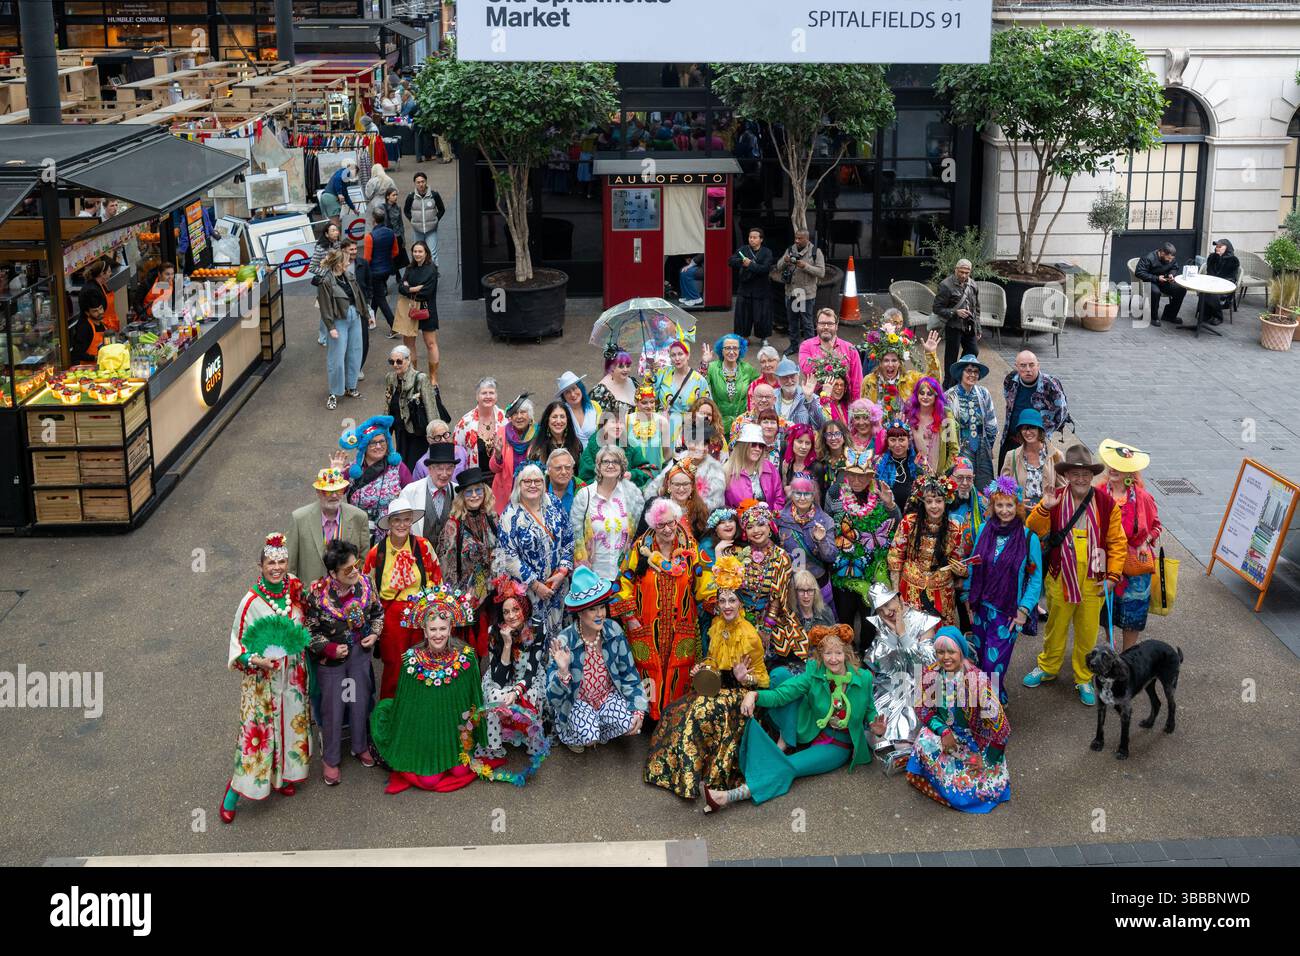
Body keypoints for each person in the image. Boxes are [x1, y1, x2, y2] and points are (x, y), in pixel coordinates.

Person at [707, 624, 886, 810]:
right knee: (781, 677)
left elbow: (869, 709)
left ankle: (728, 796)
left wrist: (875, 726)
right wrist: (754, 695)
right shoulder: (814, 674)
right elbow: (781, 695)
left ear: (846, 654)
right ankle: (785, 738)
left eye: (838, 653)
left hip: (836, 745)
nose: (833, 659)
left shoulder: (863, 678)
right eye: (828, 654)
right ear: (820, 656)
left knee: (790, 766)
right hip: (812, 729)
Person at [644, 555, 768, 802]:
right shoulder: (716, 625)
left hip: (739, 696)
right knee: (675, 709)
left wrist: (746, 678)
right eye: (722, 600)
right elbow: (713, 660)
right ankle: (679, 774)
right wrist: (702, 669)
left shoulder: (749, 635)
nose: (727, 605)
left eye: (732, 600)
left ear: (740, 604)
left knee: (699, 709)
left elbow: (764, 681)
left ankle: (695, 780)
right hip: (717, 688)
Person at [1023, 444, 1127, 706]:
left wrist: (1113, 577)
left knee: (1087, 633)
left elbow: (1116, 542)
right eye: (1075, 474)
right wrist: (1044, 508)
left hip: (1094, 579)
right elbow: (1032, 528)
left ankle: (1083, 677)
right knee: (1056, 628)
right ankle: (1048, 666)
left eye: (1085, 475)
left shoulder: (1106, 504)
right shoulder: (1054, 497)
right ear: (1067, 475)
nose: (1080, 479)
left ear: (1091, 476)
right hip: (1060, 576)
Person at [220, 533, 312, 823]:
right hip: (262, 682)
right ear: (259, 565)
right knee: (256, 739)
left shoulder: (294, 588)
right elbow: (238, 648)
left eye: (282, 561)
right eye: (271, 562)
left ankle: (282, 778)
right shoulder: (250, 602)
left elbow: (305, 621)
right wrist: (256, 660)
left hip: (293, 678)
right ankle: (233, 794)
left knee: (290, 728)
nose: (277, 567)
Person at [370, 585, 484, 794]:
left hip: (455, 734)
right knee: (430, 780)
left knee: (460, 771)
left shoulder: (467, 658)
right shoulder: (411, 660)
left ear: (451, 628)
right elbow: (407, 707)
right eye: (433, 629)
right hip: (425, 736)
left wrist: (475, 734)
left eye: (442, 629)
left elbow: (474, 700)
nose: (438, 634)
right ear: (424, 630)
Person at [612, 499, 714, 719]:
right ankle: (647, 714)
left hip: (682, 623)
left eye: (671, 523)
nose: (667, 529)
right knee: (647, 667)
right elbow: (622, 583)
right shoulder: (641, 548)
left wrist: (718, 601)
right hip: (645, 623)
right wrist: (629, 617)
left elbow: (704, 580)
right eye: (661, 525)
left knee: (679, 668)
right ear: (652, 525)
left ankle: (673, 714)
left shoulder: (690, 547)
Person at [303, 539, 383, 786]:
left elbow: (378, 613)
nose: (355, 571)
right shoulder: (316, 596)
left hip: (359, 655)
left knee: (360, 702)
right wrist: (328, 648)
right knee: (334, 709)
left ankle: (359, 746)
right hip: (331, 663)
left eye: (356, 565)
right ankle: (331, 758)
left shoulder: (366, 584)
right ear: (333, 573)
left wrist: (375, 633)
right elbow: (308, 632)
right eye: (348, 569)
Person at [906, 627, 1011, 813]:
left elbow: (1001, 729)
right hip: (947, 735)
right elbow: (922, 708)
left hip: (974, 742)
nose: (945, 657)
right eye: (940, 652)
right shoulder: (931, 673)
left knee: (967, 790)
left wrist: (985, 761)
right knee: (923, 741)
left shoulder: (977, 681)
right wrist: (943, 731)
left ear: (961, 652)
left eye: (951, 651)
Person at [546, 567, 648, 751]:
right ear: (579, 612)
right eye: (592, 609)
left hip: (606, 696)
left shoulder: (613, 630)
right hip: (578, 701)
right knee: (588, 736)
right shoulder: (563, 641)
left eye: (602, 607)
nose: (600, 614)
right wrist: (562, 671)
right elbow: (552, 699)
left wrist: (638, 708)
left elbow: (629, 674)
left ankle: (596, 724)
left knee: (629, 722)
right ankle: (576, 732)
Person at [968, 477, 1043, 703]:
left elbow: (1036, 578)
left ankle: (990, 708)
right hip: (981, 608)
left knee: (994, 664)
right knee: (981, 660)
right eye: (999, 505)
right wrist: (968, 600)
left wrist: (1023, 610)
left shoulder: (1029, 538)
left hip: (1008, 612)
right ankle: (991, 697)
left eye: (1009, 505)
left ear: (1018, 506)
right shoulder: (983, 530)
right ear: (992, 506)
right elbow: (974, 564)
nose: (1004, 510)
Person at [364, 496, 442, 699]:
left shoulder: (423, 547)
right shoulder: (376, 553)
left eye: (406, 519)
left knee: (422, 663)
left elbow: (436, 579)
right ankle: (390, 717)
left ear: (411, 521)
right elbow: (367, 589)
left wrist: (434, 614)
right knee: (395, 667)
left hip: (421, 614)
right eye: (396, 520)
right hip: (392, 617)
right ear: (389, 523)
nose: (401, 524)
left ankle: (419, 712)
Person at [494, 464, 575, 639]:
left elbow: (569, 539)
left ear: (543, 483)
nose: (533, 485)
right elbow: (509, 558)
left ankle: (559, 666)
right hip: (530, 593)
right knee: (534, 639)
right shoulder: (509, 515)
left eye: (537, 481)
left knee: (560, 635)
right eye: (527, 481)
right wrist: (536, 585)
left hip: (558, 587)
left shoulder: (554, 503)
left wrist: (562, 572)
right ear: (518, 485)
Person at [863, 583, 938, 769]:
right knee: (876, 733)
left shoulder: (923, 620)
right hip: (892, 684)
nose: (887, 612)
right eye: (881, 610)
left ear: (899, 598)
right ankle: (900, 751)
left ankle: (907, 750)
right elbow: (879, 664)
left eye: (889, 604)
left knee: (904, 737)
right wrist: (888, 636)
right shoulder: (881, 624)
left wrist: (903, 633)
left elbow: (929, 662)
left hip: (922, 684)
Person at [826, 451, 899, 643]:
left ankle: (866, 659)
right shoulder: (834, 493)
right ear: (846, 474)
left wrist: (890, 505)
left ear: (870, 476)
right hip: (844, 569)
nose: (857, 480)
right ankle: (845, 658)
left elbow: (896, 527)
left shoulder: (880, 492)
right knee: (845, 620)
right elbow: (827, 523)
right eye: (852, 474)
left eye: (862, 475)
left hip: (872, 569)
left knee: (870, 620)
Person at [1097, 438, 1163, 651]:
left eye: (1121, 467)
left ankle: (1127, 657)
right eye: (1112, 465)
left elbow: (1156, 527)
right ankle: (1110, 648)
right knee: (1106, 608)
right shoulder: (1098, 493)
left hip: (1135, 567)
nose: (1114, 469)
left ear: (1130, 473)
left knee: (1132, 613)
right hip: (1105, 562)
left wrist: (1145, 542)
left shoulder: (1143, 497)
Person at [479, 578, 545, 761]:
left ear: (524, 608)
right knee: (493, 696)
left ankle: (531, 742)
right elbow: (499, 680)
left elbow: (532, 671)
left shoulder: (538, 627)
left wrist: (516, 691)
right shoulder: (494, 631)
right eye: (506, 612)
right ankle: (494, 746)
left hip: (527, 678)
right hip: (503, 677)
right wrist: (507, 644)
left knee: (530, 695)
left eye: (516, 609)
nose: (511, 616)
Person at [734, 500, 805, 670]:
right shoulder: (739, 555)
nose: (756, 530)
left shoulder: (781, 557)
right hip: (741, 618)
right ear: (745, 532)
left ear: (769, 527)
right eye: (750, 527)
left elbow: (778, 598)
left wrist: (766, 628)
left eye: (760, 525)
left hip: (771, 621)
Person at [434, 465, 497, 656]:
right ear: (462, 497)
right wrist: (456, 601)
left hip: (491, 592)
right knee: (467, 650)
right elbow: (447, 567)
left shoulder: (492, 518)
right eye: (469, 491)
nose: (475, 495)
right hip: (467, 597)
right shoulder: (454, 525)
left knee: (489, 646)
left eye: (478, 490)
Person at [888, 474, 963, 627]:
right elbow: (895, 556)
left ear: (946, 502)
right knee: (910, 634)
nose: (934, 506)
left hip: (942, 592)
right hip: (910, 589)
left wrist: (962, 572)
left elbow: (958, 561)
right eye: (929, 501)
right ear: (923, 503)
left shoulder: (954, 528)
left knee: (939, 639)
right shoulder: (909, 523)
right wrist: (895, 592)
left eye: (939, 501)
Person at [286, 467, 371, 592]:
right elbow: (290, 565)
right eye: (328, 491)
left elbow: (364, 558)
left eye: (339, 490)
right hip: (310, 595)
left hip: (347, 595)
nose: (334, 495)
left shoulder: (359, 517)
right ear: (318, 492)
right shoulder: (299, 518)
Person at [571, 444, 645, 581]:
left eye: (615, 462)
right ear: (598, 466)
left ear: (622, 466)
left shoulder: (632, 494)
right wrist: (583, 567)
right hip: (593, 576)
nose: (610, 465)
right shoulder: (584, 495)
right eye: (605, 461)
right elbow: (576, 535)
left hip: (625, 575)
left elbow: (639, 535)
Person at [339, 418, 413, 544]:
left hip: (391, 534)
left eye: (382, 441)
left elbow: (411, 497)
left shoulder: (399, 468)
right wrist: (335, 473)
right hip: (358, 533)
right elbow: (332, 496)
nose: (378, 446)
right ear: (364, 446)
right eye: (372, 442)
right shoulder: (351, 471)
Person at [317, 248, 371, 410]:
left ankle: (350, 386)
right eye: (346, 260)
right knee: (337, 358)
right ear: (339, 264)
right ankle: (334, 392)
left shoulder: (349, 276)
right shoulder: (326, 281)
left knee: (355, 353)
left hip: (354, 317)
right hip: (339, 320)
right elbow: (325, 305)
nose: (349, 262)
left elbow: (359, 295)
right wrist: (330, 326)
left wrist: (367, 314)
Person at [998, 350, 1070, 469]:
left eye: (1031, 365)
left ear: (1038, 365)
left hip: (1036, 443)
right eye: (1023, 365)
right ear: (1016, 367)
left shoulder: (1051, 385)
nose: (1028, 369)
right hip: (1011, 438)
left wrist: (1040, 437)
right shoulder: (1010, 380)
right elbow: (1008, 403)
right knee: (1005, 480)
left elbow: (1061, 414)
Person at [861, 327, 942, 421]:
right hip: (878, 432)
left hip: (905, 432)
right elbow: (863, 410)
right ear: (880, 362)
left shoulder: (911, 378)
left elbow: (933, 382)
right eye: (886, 360)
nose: (890, 365)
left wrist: (930, 354)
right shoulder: (869, 381)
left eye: (894, 360)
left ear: (900, 363)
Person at [777, 475, 837, 600]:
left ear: (813, 495)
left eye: (807, 494)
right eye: (798, 493)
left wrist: (822, 540)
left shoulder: (825, 521)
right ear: (791, 494)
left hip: (817, 585)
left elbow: (831, 557)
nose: (802, 498)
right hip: (789, 584)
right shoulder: (780, 519)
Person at [945, 354, 998, 490]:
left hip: (981, 446)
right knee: (961, 484)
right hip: (960, 447)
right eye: (969, 370)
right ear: (961, 372)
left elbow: (991, 423)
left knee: (985, 485)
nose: (973, 374)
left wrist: (988, 446)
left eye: (975, 372)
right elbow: (946, 430)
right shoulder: (950, 396)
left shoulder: (983, 393)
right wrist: (951, 453)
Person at [383, 345, 440, 473]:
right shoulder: (390, 378)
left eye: (399, 361)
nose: (395, 365)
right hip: (400, 431)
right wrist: (383, 429)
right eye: (392, 362)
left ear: (408, 360)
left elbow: (431, 409)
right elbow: (387, 404)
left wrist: (436, 437)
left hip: (417, 432)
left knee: (415, 466)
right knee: (401, 465)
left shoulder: (421, 379)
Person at [1000, 408, 1064, 509]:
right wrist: (1016, 502)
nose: (1028, 432)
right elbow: (1003, 489)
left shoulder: (1055, 455)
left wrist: (1050, 503)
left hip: (1047, 514)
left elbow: (1063, 490)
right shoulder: (1011, 456)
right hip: (1020, 514)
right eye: (1024, 428)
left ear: (1039, 429)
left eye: (1032, 427)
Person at [932, 258, 981, 388]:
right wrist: (955, 312)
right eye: (961, 272)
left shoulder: (973, 285)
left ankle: (958, 375)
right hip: (953, 326)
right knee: (951, 358)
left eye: (967, 272)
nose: (964, 275)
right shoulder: (945, 285)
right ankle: (948, 385)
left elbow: (977, 308)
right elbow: (937, 308)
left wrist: (978, 328)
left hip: (969, 325)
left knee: (973, 351)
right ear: (956, 270)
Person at [798, 307, 864, 403]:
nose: (825, 327)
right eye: (822, 323)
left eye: (830, 324)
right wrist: (827, 351)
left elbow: (857, 381)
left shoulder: (850, 349)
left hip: (844, 402)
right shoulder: (806, 346)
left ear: (836, 326)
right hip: (816, 402)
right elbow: (807, 370)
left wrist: (856, 405)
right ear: (816, 325)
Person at [778, 228, 827, 355]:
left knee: (807, 323)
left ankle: (810, 349)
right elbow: (778, 266)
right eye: (796, 238)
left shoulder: (816, 252)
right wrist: (785, 260)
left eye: (800, 238)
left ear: (807, 239)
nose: (797, 241)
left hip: (805, 294)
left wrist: (805, 266)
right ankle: (794, 346)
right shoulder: (790, 250)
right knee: (792, 322)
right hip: (792, 293)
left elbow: (821, 272)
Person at [397, 240, 439, 380]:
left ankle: (433, 377)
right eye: (415, 251)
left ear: (426, 253)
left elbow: (427, 292)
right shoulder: (410, 268)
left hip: (427, 310)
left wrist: (408, 289)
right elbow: (401, 286)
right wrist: (415, 288)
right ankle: (412, 375)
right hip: (410, 310)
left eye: (420, 251)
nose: (417, 254)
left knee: (430, 343)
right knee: (409, 344)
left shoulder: (432, 269)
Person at [576, 410, 652, 487]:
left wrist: (632, 475)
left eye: (621, 423)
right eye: (614, 422)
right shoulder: (591, 449)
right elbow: (584, 480)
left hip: (626, 494)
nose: (618, 426)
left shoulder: (631, 446)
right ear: (603, 425)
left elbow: (646, 471)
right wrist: (605, 481)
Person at [703, 333, 759, 434]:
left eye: (735, 348)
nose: (732, 352)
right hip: (718, 425)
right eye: (728, 348)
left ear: (740, 350)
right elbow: (700, 386)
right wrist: (704, 363)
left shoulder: (747, 369)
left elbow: (760, 387)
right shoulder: (712, 368)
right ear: (721, 350)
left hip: (742, 425)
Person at [652, 339, 708, 441]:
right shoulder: (662, 374)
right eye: (673, 355)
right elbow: (651, 398)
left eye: (680, 354)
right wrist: (650, 376)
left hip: (691, 432)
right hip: (666, 429)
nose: (677, 358)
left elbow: (707, 408)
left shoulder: (699, 380)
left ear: (688, 355)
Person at [489, 396, 536, 514]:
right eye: (515, 413)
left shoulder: (538, 434)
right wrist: (498, 455)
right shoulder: (502, 432)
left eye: (523, 412)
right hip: (505, 494)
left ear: (530, 416)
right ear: (511, 417)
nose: (519, 416)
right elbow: (494, 469)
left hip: (531, 491)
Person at [904, 377, 959, 475]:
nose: (925, 396)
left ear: (936, 396)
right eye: (921, 393)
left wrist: (944, 474)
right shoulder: (909, 417)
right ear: (917, 394)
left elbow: (954, 449)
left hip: (941, 478)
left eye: (929, 394)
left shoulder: (946, 416)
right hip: (917, 476)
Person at [729, 226, 775, 343]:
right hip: (745, 288)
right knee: (743, 316)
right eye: (750, 237)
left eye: (755, 237)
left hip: (761, 289)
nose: (752, 240)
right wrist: (742, 262)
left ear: (761, 239)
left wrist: (750, 265)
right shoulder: (743, 250)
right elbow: (731, 261)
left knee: (762, 316)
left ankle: (763, 338)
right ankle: (744, 337)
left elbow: (765, 268)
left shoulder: (767, 252)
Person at [724, 423, 785, 510]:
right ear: (743, 446)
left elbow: (779, 500)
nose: (757, 449)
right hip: (737, 522)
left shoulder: (770, 468)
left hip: (768, 522)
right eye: (753, 444)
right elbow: (724, 507)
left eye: (761, 446)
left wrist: (769, 518)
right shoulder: (727, 471)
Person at [454, 377, 508, 471]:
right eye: (484, 393)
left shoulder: (505, 419)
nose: (488, 396)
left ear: (496, 396)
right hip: (474, 479)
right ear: (477, 397)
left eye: (491, 393)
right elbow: (456, 453)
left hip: (500, 475)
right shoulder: (465, 423)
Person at [362, 209, 399, 337]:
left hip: (374, 272)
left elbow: (367, 259)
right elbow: (395, 252)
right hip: (387, 270)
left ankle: (393, 325)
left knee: (379, 298)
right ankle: (371, 320)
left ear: (373, 220)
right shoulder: (391, 233)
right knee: (377, 295)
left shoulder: (370, 237)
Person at [1135, 241, 1186, 327]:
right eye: (1168, 258)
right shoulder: (1148, 258)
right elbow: (1139, 272)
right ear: (1162, 253)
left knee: (1181, 290)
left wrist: (1171, 274)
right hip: (1150, 280)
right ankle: (1153, 317)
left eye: (1171, 259)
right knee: (1155, 292)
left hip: (1164, 281)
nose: (1170, 261)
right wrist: (1156, 278)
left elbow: (1174, 267)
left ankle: (1169, 315)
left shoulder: (1171, 258)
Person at [875, 420, 921, 510]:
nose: (897, 444)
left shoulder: (918, 463)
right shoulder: (879, 464)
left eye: (901, 440)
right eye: (893, 440)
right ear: (887, 442)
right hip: (887, 515)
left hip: (913, 515)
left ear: (908, 441)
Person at [404, 171, 446, 262]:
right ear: (415, 183)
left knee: (432, 253)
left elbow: (442, 209)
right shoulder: (411, 197)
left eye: (423, 181)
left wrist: (435, 220)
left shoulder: (434, 195)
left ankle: (433, 274)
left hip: (431, 230)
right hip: (417, 230)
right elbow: (406, 211)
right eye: (418, 182)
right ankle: (420, 274)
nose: (421, 184)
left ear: (426, 182)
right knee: (418, 253)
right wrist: (413, 221)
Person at [773, 358, 826, 429]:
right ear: (778, 379)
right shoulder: (772, 395)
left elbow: (821, 425)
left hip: (800, 439)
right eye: (785, 377)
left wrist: (809, 399)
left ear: (798, 375)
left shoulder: (810, 396)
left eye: (792, 376)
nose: (789, 381)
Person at [589, 348, 638, 424]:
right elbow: (601, 424)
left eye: (628, 366)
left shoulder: (632, 381)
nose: (626, 370)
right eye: (621, 366)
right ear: (611, 367)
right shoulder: (600, 392)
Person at [529, 400, 583, 467]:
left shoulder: (576, 444)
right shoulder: (538, 446)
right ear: (547, 420)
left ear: (567, 420)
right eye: (554, 417)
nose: (558, 421)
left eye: (562, 417)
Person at [556, 370, 602, 445]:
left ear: (581, 388)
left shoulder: (595, 406)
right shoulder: (561, 412)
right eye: (567, 392)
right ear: (563, 396)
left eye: (574, 388)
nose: (573, 394)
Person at [1203, 238, 1239, 325]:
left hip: (1226, 285)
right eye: (1216, 246)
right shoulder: (1212, 257)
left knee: (1213, 293)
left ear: (1227, 248)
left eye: (1220, 246)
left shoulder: (1233, 260)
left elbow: (1229, 276)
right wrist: (1217, 258)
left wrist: (1217, 282)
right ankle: (1205, 314)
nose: (1217, 248)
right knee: (1203, 291)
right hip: (1212, 282)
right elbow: (1210, 272)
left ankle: (1218, 316)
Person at [779, 423, 818, 497]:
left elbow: (818, 499)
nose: (803, 447)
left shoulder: (816, 467)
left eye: (807, 443)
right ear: (792, 442)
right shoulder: (787, 464)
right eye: (800, 442)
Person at [816, 419, 849, 500]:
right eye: (829, 434)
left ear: (844, 436)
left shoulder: (851, 460)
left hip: (845, 506)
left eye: (837, 434)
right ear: (825, 439)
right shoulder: (821, 461)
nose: (833, 438)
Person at [321, 162, 359, 230]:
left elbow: (346, 196)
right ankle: (337, 240)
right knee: (336, 224)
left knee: (332, 223)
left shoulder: (343, 175)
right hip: (331, 198)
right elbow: (337, 178)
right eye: (356, 174)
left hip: (326, 196)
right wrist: (339, 193)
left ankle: (333, 239)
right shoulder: (344, 173)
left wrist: (354, 209)